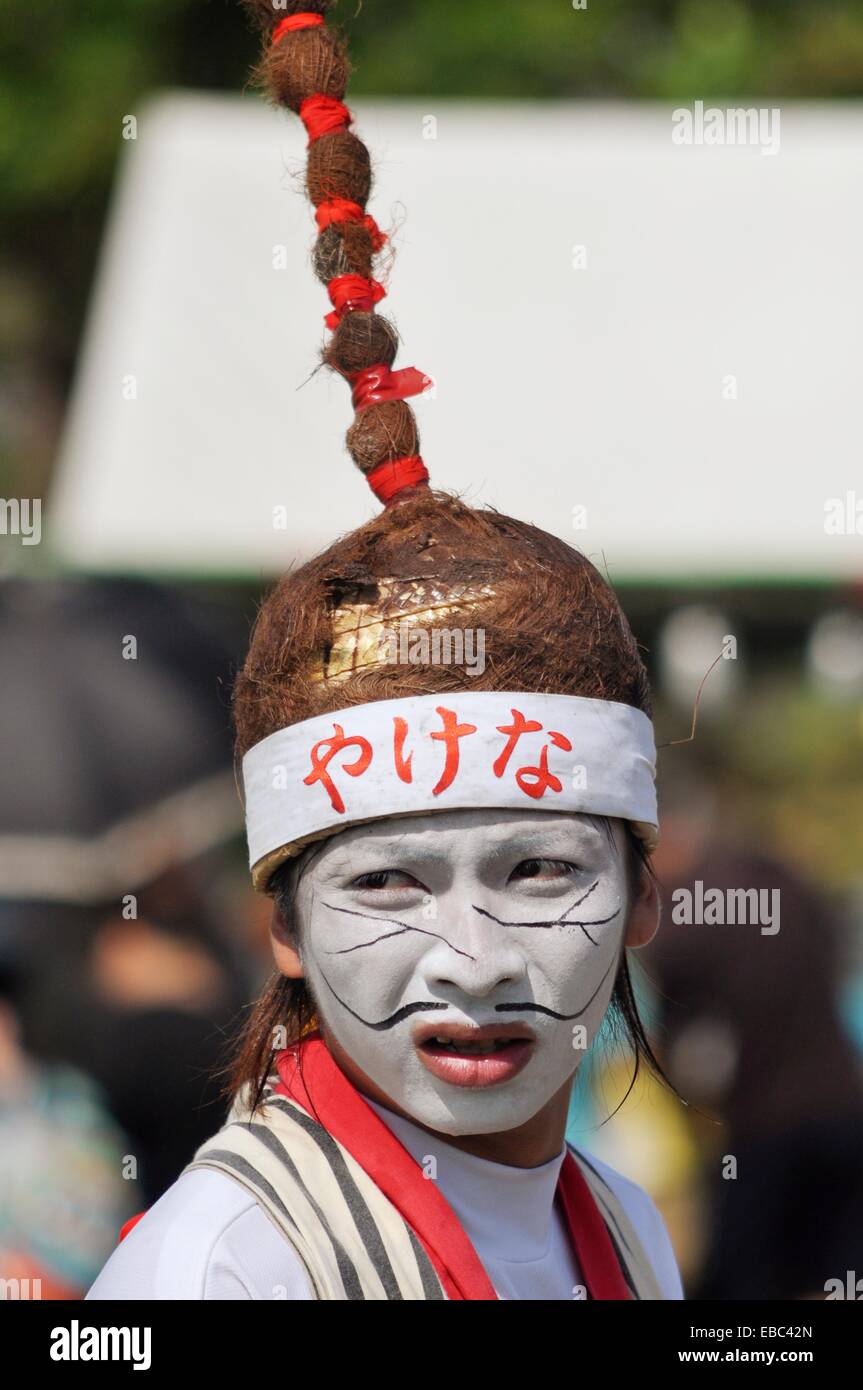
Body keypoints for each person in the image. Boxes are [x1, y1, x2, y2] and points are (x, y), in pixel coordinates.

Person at [87, 0, 683, 1301]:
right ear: (284, 925)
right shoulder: (227, 1267)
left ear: (644, 892)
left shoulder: (627, 1230)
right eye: (389, 885)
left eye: (539, 869)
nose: (474, 959)